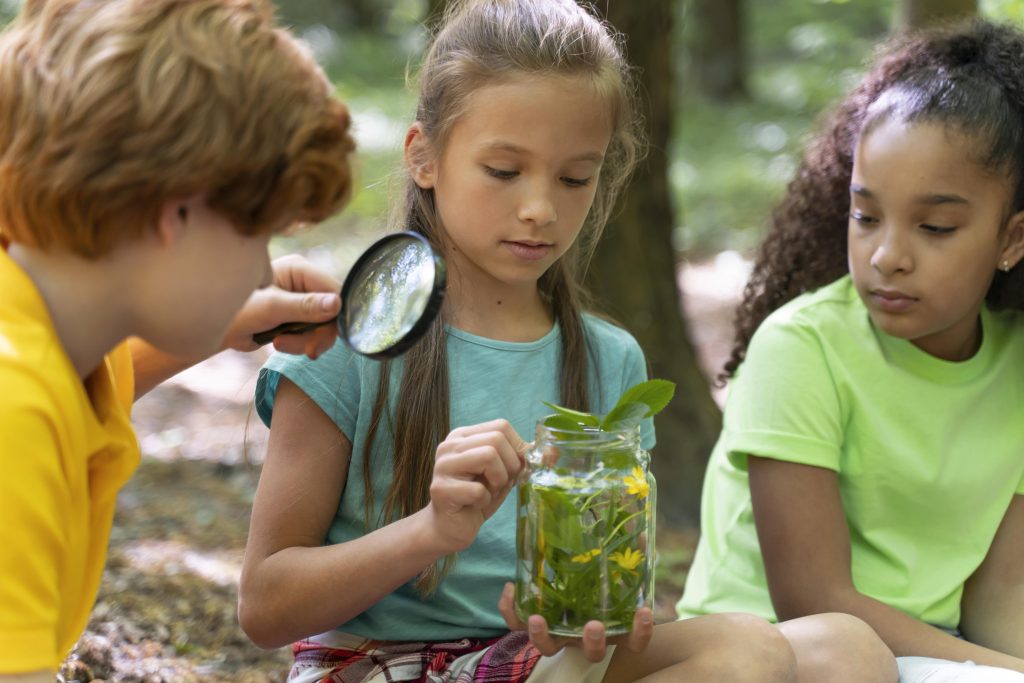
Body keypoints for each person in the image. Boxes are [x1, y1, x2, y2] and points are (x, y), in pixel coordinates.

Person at [239, 1, 896, 681]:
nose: (540, 208)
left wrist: (596, 608)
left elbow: (605, 607)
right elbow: (264, 606)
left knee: (848, 649)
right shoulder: (351, 343)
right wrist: (432, 531)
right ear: (424, 159)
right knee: (745, 653)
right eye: (503, 170)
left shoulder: (612, 361)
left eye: (574, 177)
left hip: (537, 663)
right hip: (383, 664)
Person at [0, 0, 356, 680]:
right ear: (180, 211)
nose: (259, 268)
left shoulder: (37, 325)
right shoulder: (12, 415)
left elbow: (93, 379)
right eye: (257, 235)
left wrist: (218, 321)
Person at [677, 18, 1024, 682]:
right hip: (784, 653)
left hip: (932, 653)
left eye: (936, 226)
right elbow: (814, 598)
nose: (887, 256)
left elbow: (1002, 595)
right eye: (866, 217)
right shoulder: (800, 348)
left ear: (1011, 240)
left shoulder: (1016, 366)